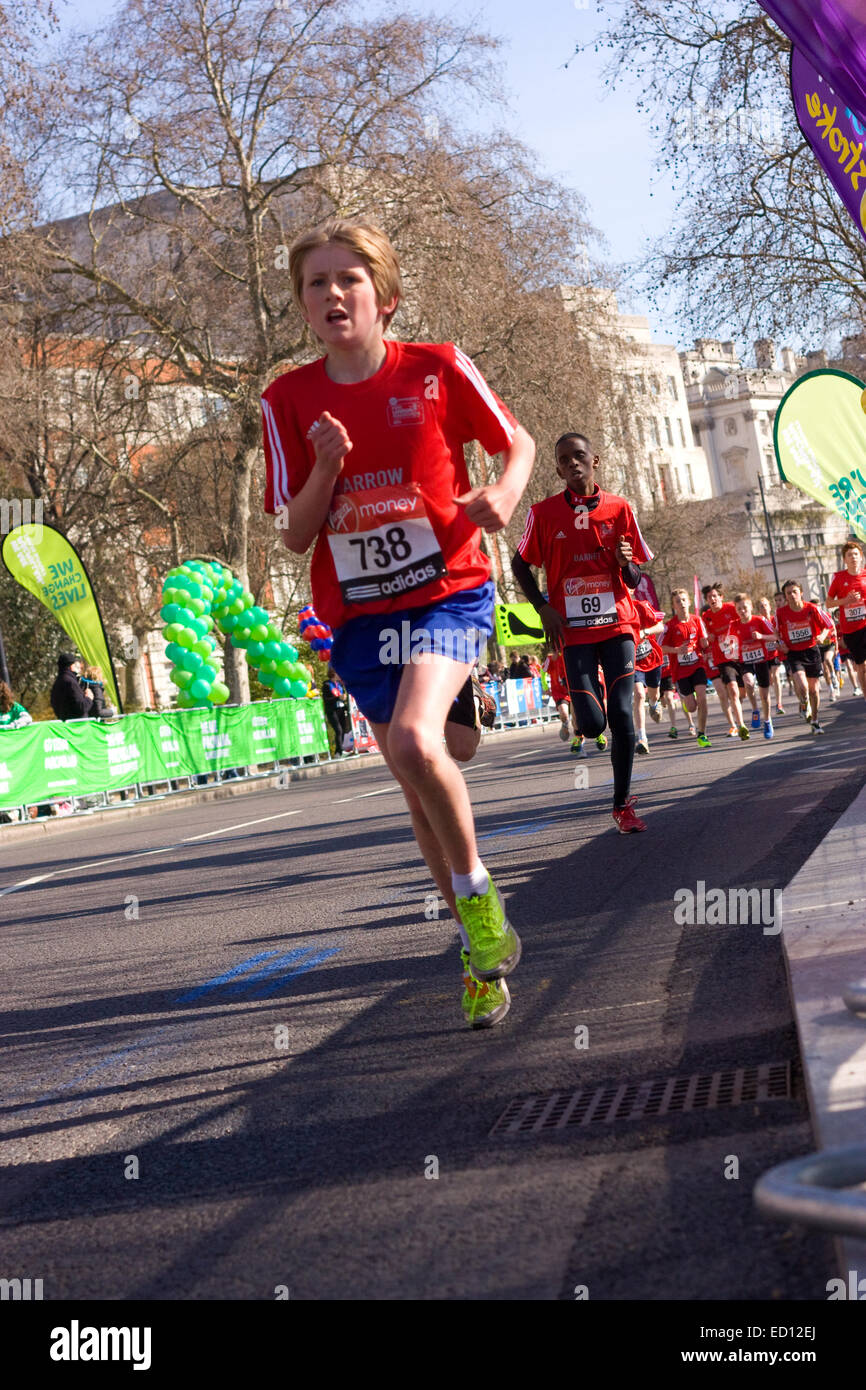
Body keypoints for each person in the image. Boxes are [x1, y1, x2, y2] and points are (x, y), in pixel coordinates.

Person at [262, 215, 534, 1029]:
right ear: (303, 304)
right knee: (418, 787)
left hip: (448, 587)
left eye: (349, 278)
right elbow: (295, 532)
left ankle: (481, 898)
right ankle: (478, 958)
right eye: (317, 283)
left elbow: (514, 441)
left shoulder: (439, 367)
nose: (334, 293)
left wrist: (507, 494)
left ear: (385, 294)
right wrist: (330, 465)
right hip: (358, 614)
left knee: (417, 744)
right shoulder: (288, 398)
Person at [512, 430, 652, 832]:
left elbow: (636, 575)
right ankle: (584, 718)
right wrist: (543, 608)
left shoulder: (620, 508)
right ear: (557, 469)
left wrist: (626, 564)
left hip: (618, 623)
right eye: (564, 459)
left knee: (623, 712)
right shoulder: (543, 514)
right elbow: (520, 564)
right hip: (572, 631)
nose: (572, 463)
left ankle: (622, 805)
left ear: (596, 461)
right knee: (592, 725)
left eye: (579, 456)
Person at [774, 580, 832, 734]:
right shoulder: (780, 612)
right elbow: (775, 632)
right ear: (785, 596)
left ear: (801, 593)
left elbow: (828, 624)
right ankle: (803, 702)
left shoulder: (812, 608)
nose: (792, 595)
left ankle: (815, 720)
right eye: (788, 593)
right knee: (803, 686)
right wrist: (781, 644)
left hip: (811, 651)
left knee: (814, 690)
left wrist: (822, 635)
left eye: (795, 591)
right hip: (794, 653)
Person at [661, 590, 712, 748]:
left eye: (684, 599)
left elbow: (704, 642)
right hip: (680, 670)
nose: (681, 603)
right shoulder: (670, 626)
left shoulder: (697, 620)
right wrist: (677, 650)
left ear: (689, 602)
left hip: (697, 665)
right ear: (674, 606)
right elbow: (661, 648)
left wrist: (706, 643)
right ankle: (685, 701)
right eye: (678, 601)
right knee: (691, 707)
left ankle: (702, 734)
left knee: (702, 698)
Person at [700, 583, 750, 740]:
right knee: (731, 692)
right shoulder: (706, 616)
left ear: (721, 597)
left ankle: (739, 713)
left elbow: (744, 621)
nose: (713, 599)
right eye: (709, 597)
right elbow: (705, 637)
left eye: (715, 596)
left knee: (744, 690)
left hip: (740, 655)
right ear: (707, 600)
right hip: (722, 659)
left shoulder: (731, 608)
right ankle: (739, 725)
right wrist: (709, 638)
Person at [733, 593, 778, 739]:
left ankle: (767, 721)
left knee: (765, 696)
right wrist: (731, 649)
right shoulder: (734, 625)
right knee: (749, 683)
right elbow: (728, 642)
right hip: (745, 661)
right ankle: (755, 710)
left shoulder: (760, 620)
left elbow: (776, 636)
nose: (742, 611)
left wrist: (761, 637)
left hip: (761, 660)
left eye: (744, 607)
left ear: (751, 607)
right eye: (739, 609)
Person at [826, 540, 866, 700]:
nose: (853, 557)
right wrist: (845, 601)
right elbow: (829, 603)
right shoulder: (839, 578)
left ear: (861, 556)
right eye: (849, 555)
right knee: (861, 666)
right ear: (844, 559)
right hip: (851, 629)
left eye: (856, 554)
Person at [631, 596, 665, 755]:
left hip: (651, 658)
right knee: (638, 694)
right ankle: (642, 737)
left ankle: (653, 704)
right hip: (633, 663)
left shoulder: (642, 606)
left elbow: (660, 626)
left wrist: (644, 632)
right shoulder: (613, 612)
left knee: (654, 694)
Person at [50, 653, 92, 721]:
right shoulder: (71, 682)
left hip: (65, 725)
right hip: (77, 726)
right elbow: (81, 707)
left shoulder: (57, 682)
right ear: (71, 666)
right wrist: (89, 698)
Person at [321, 666, 353, 756]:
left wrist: (344, 699)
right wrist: (337, 698)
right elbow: (326, 699)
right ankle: (338, 751)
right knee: (338, 730)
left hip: (341, 710)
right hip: (332, 711)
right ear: (334, 674)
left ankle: (339, 751)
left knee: (342, 730)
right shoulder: (327, 685)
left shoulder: (340, 685)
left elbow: (342, 696)